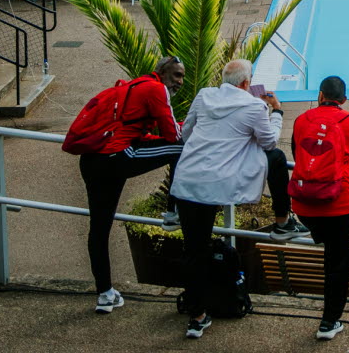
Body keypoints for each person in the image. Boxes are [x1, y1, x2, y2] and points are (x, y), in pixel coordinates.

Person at [172, 59, 283, 339]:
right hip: (214, 184)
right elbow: (269, 143)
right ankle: (201, 311)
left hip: (187, 179)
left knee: (193, 248)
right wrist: (277, 112)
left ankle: (197, 314)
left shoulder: (204, 95)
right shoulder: (255, 106)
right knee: (198, 249)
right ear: (246, 84)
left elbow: (186, 133)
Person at [79, 55, 187, 313]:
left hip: (93, 161)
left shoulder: (132, 86)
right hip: (117, 158)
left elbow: (132, 130)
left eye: (182, 76)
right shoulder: (157, 89)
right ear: (161, 73)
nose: (180, 82)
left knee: (99, 228)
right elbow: (172, 135)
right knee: (181, 149)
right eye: (176, 75)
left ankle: (105, 293)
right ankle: (172, 213)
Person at [288, 75, 349, 341]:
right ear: (343, 99)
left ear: (320, 95)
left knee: (333, 247)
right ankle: (329, 322)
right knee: (336, 263)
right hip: (339, 203)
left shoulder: (300, 120)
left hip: (304, 205)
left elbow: (299, 156)